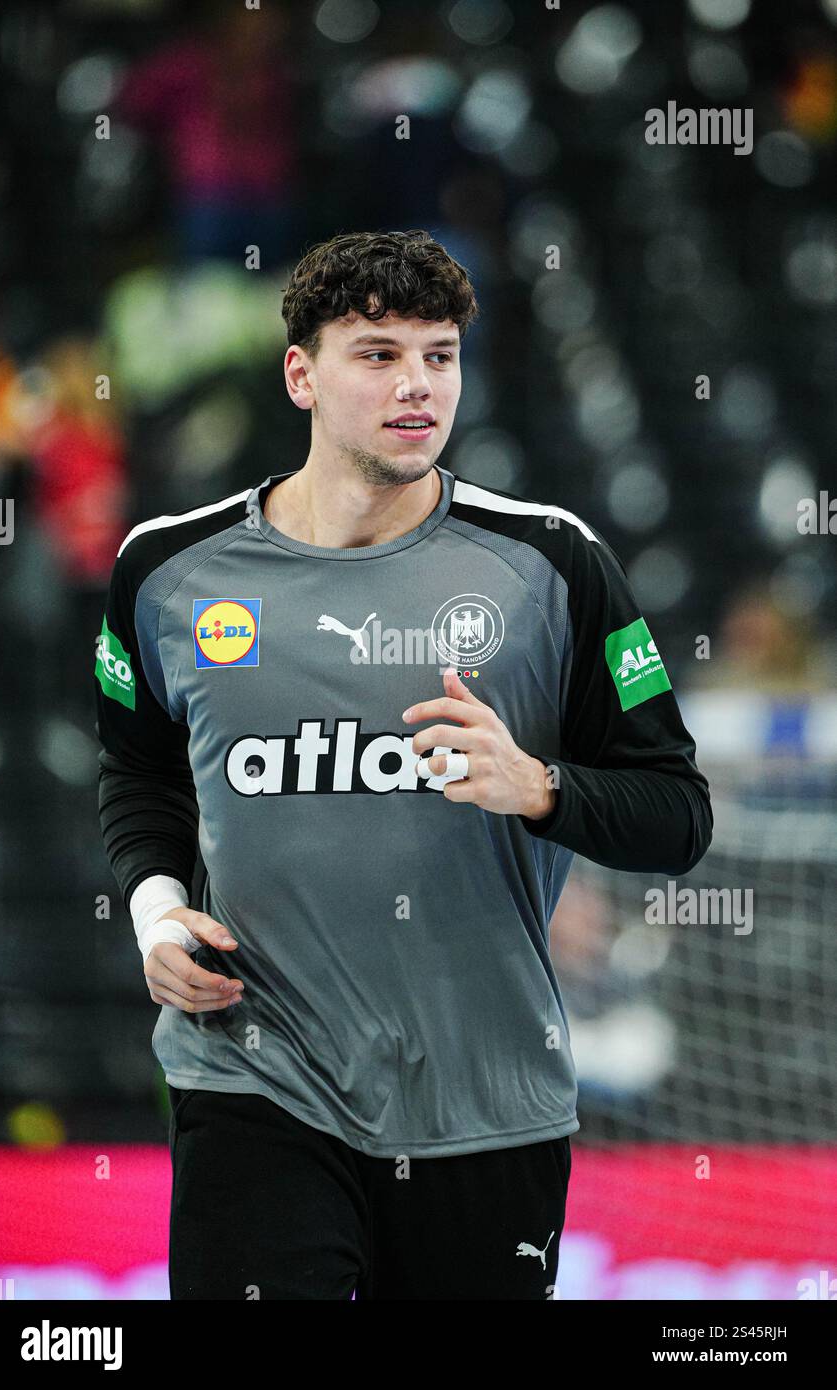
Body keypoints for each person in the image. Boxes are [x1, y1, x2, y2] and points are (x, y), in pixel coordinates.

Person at [94, 229, 712, 1300]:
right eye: (377, 354)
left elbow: (677, 815)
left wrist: (540, 787)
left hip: (485, 1103)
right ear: (302, 373)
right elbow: (139, 771)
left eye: (438, 355)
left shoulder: (548, 565)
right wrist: (155, 908)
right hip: (255, 1080)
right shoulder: (166, 571)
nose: (416, 385)